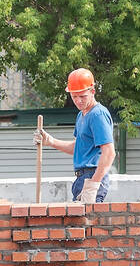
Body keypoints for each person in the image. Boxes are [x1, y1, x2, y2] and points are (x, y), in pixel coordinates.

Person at [34, 68, 116, 204]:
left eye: (82, 96)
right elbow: (78, 147)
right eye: (74, 96)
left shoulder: (98, 114)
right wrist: (51, 141)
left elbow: (109, 152)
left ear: (93, 91)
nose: (78, 101)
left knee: (87, 224)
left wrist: (93, 184)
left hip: (92, 175)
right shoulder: (82, 115)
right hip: (82, 177)